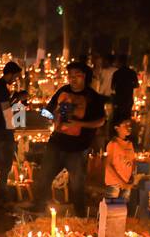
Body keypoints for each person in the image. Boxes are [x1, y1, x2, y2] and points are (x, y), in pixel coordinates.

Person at [34, 60, 105, 217]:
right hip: (56, 144)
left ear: (85, 77)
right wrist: (54, 117)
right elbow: (46, 112)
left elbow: (101, 120)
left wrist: (79, 123)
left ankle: (79, 215)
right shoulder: (62, 91)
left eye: (77, 75)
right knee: (44, 176)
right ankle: (38, 209)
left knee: (77, 184)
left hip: (77, 148)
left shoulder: (92, 97)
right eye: (70, 75)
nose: (73, 79)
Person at [0, 61, 25, 204]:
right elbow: (5, 110)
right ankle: (0, 192)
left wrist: (14, 98)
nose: (16, 79)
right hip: (3, 130)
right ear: (9, 74)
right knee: (5, 163)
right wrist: (18, 99)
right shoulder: (0, 89)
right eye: (15, 76)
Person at [104, 119, 137, 205]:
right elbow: (108, 165)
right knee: (111, 212)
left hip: (127, 183)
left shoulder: (130, 144)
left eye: (129, 125)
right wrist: (121, 182)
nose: (129, 127)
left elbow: (133, 161)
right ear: (117, 128)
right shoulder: (113, 144)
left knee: (121, 212)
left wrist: (132, 177)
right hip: (114, 184)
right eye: (125, 125)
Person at [110, 55, 139, 121]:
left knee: (117, 118)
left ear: (120, 62)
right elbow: (137, 85)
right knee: (126, 118)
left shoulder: (116, 73)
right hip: (128, 99)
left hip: (118, 99)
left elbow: (112, 87)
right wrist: (129, 86)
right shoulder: (132, 73)